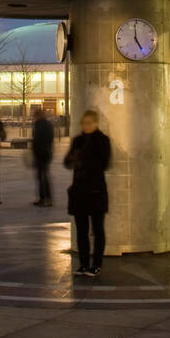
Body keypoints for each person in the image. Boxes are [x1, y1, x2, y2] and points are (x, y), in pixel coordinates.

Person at [64, 109, 111, 276]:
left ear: (96, 123)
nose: (86, 126)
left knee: (98, 229)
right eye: (83, 123)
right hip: (79, 190)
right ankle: (83, 264)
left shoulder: (102, 140)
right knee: (81, 230)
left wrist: (83, 157)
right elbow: (67, 162)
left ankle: (96, 264)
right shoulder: (77, 140)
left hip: (96, 189)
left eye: (89, 123)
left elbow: (104, 163)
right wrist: (72, 157)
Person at [31, 107, 54, 206]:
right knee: (44, 176)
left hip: (40, 153)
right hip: (47, 152)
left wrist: (34, 150)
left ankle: (43, 198)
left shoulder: (39, 125)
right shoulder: (48, 124)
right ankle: (48, 198)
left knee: (41, 177)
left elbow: (37, 140)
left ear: (37, 116)